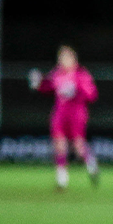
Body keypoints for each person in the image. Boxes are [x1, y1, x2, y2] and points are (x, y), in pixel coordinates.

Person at [29, 44, 99, 189]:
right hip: (60, 113)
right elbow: (48, 87)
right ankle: (62, 179)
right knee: (59, 144)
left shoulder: (81, 74)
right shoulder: (57, 73)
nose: (63, 61)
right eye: (61, 58)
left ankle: (91, 164)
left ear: (74, 59)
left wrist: (76, 92)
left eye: (66, 57)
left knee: (78, 146)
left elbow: (92, 94)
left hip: (77, 113)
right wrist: (38, 83)